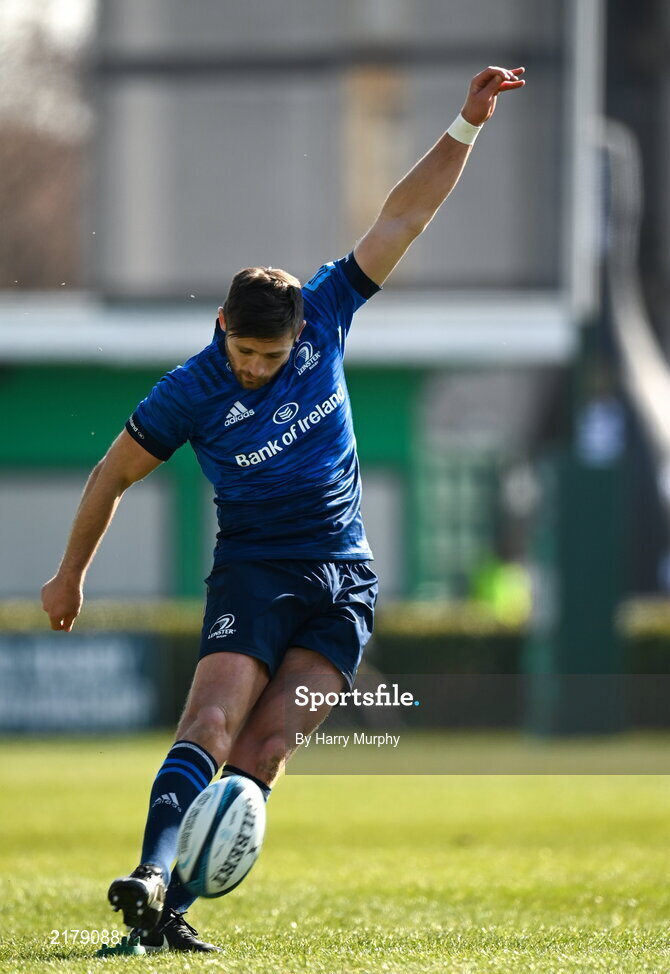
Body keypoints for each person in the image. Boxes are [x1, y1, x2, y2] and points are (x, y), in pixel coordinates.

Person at [41, 65, 525, 953]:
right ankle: (149, 872)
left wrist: (465, 124)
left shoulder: (325, 311)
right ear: (223, 325)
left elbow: (402, 219)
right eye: (247, 351)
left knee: (263, 756)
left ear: (297, 331)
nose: (260, 366)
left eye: (274, 353)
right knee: (213, 724)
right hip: (256, 570)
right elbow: (111, 476)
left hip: (345, 579)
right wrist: (70, 574)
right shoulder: (189, 392)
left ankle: (166, 916)